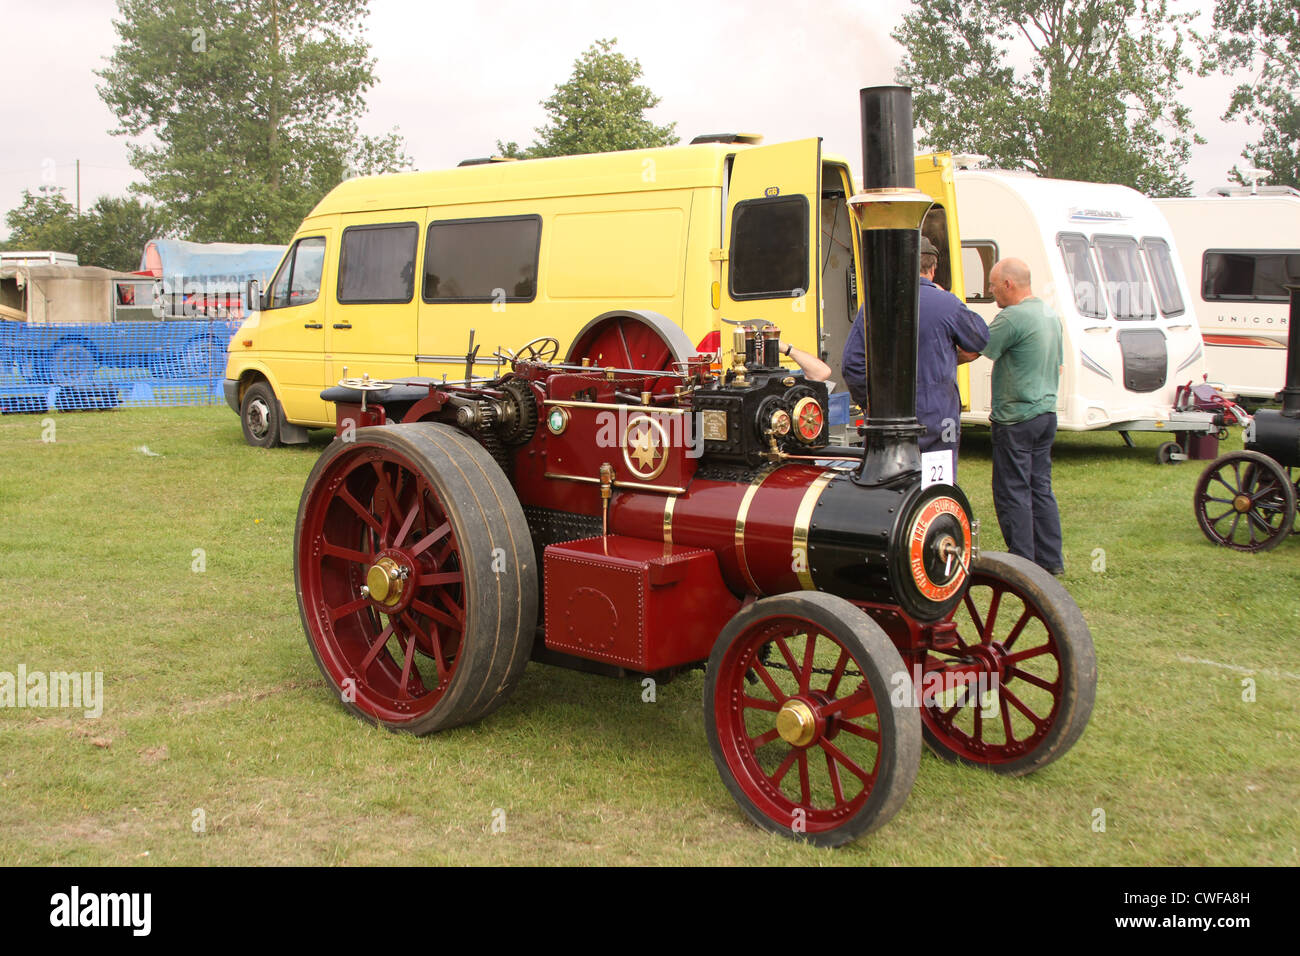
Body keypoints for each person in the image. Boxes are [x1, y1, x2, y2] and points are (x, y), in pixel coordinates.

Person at [840, 236, 989, 479]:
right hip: (938, 416)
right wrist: (953, 356)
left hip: (888, 418)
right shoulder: (947, 303)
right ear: (933, 268)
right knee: (936, 488)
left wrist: (871, 404)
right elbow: (980, 338)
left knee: (889, 483)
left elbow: (852, 364)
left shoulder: (875, 304)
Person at [982, 257, 1065, 575]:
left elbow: (977, 349)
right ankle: (1050, 560)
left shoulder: (1012, 318)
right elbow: (1058, 364)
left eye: (992, 285)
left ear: (1008, 284)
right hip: (1045, 413)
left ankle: (1022, 563)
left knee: (1012, 489)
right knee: (1040, 487)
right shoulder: (1049, 313)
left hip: (1015, 417)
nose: (991, 292)